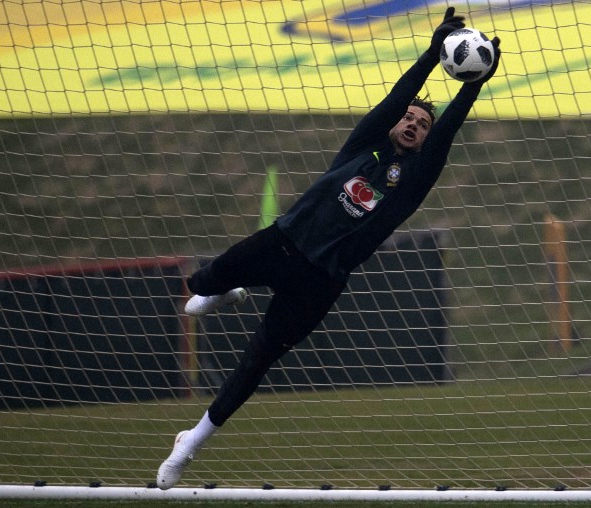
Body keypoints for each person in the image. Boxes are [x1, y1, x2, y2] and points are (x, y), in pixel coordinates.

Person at [157, 7, 501, 489]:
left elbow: (449, 131)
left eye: (421, 125)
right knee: (198, 288)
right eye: (408, 118)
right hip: (283, 241)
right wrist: (430, 52)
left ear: (425, 139)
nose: (413, 123)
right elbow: (396, 97)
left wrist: (475, 83)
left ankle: (190, 442)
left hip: (320, 282)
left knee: (257, 362)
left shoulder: (416, 178)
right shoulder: (363, 145)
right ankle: (227, 289)